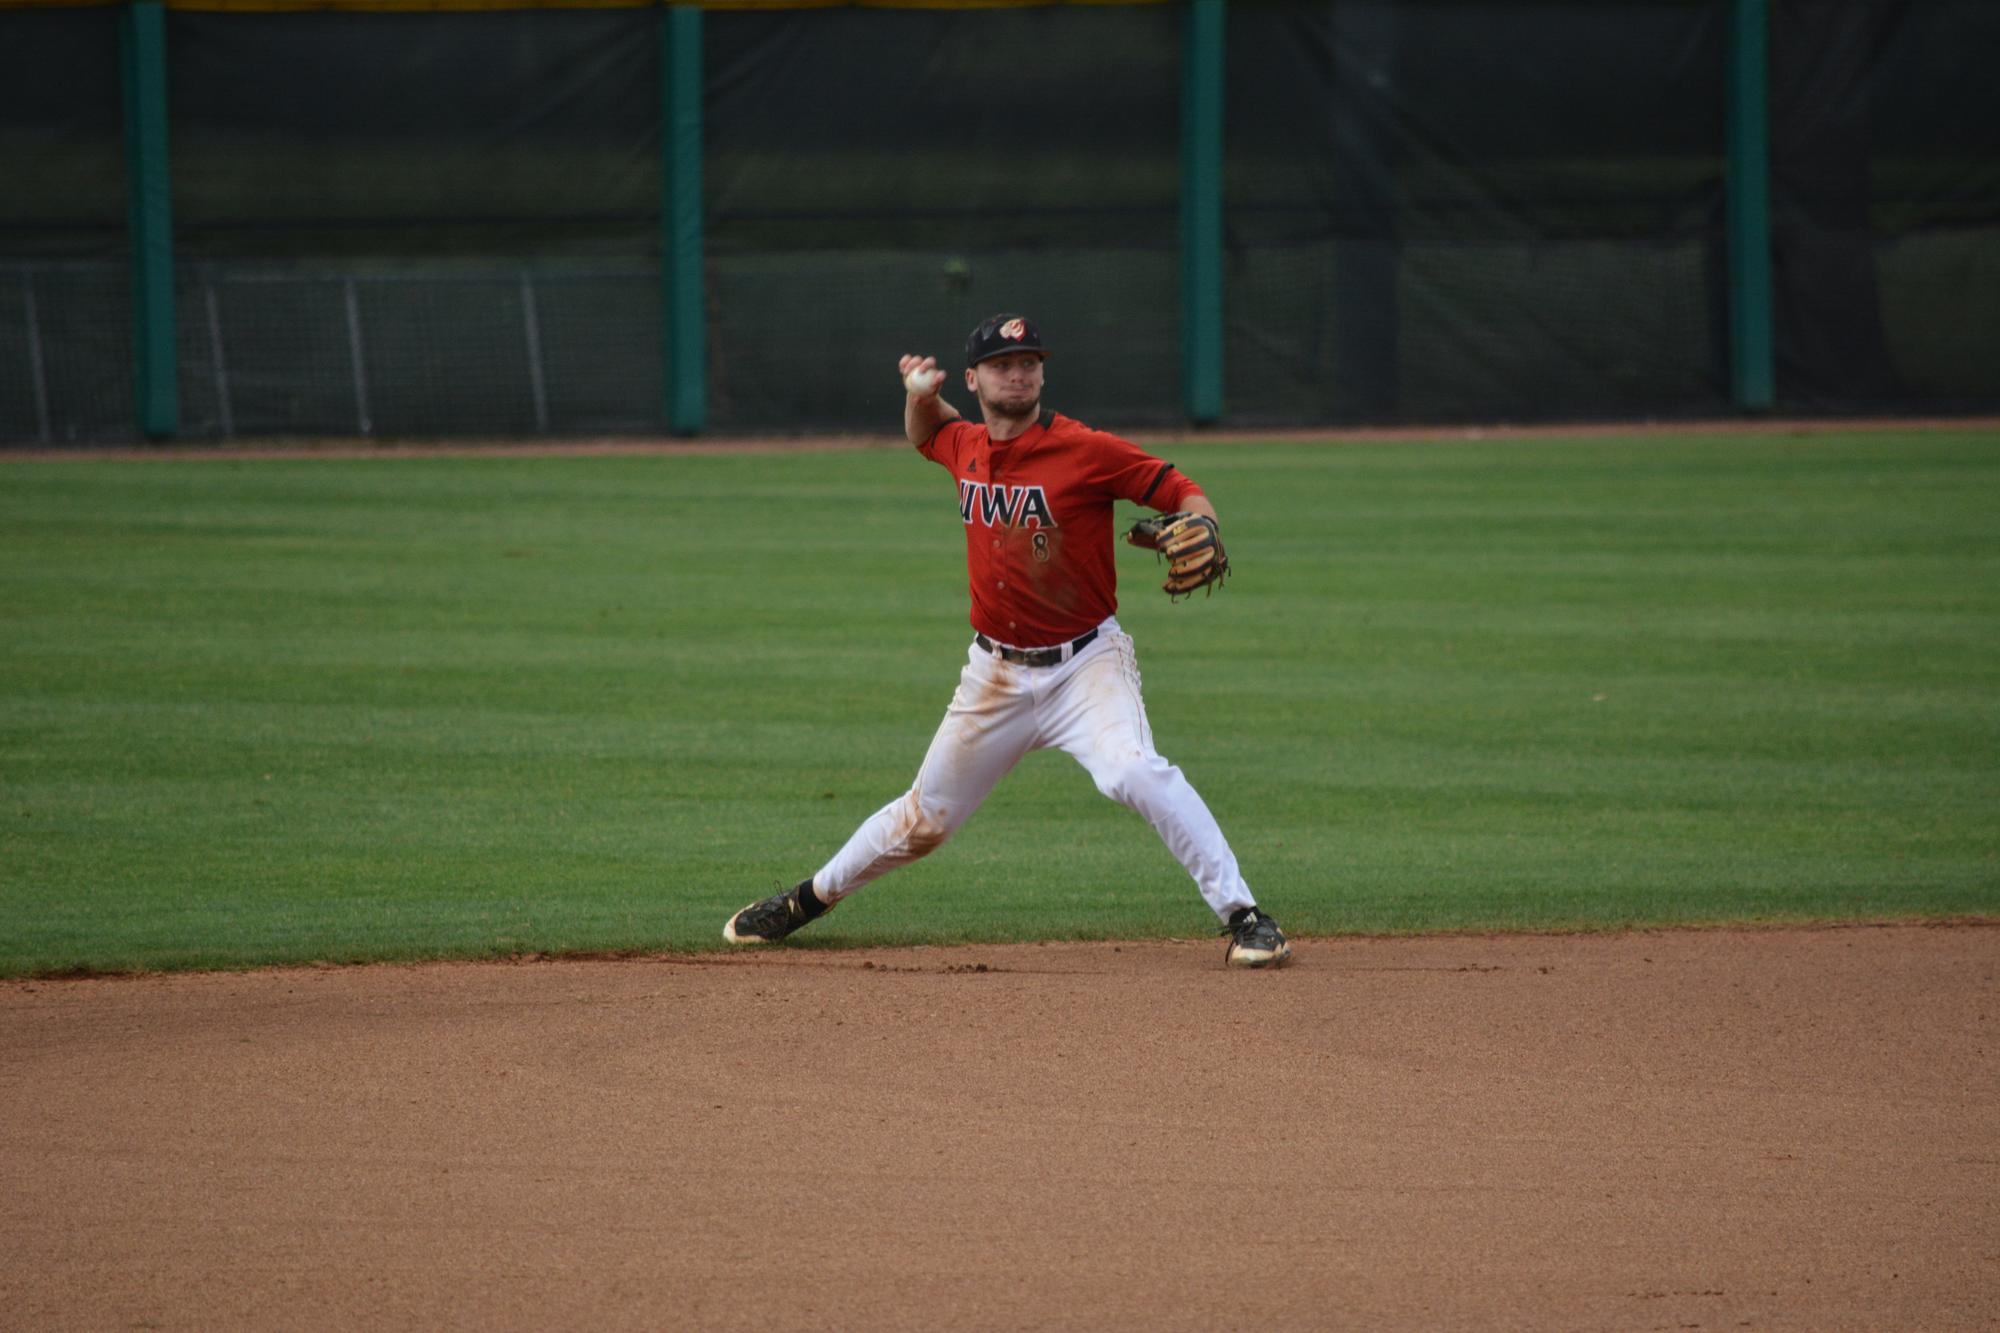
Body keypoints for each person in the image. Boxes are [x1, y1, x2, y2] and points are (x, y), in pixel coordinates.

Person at [723, 313, 1289, 968]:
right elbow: (926, 431)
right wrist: (918, 394)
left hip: (1086, 666)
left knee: (1134, 769)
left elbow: (1183, 491)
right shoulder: (962, 442)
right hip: (992, 673)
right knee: (924, 818)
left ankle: (1246, 915)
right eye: (1002, 363)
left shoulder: (1087, 449)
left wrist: (1203, 525)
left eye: (1028, 361)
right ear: (974, 378)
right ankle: (803, 902)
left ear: (1042, 372)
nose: (1017, 372)